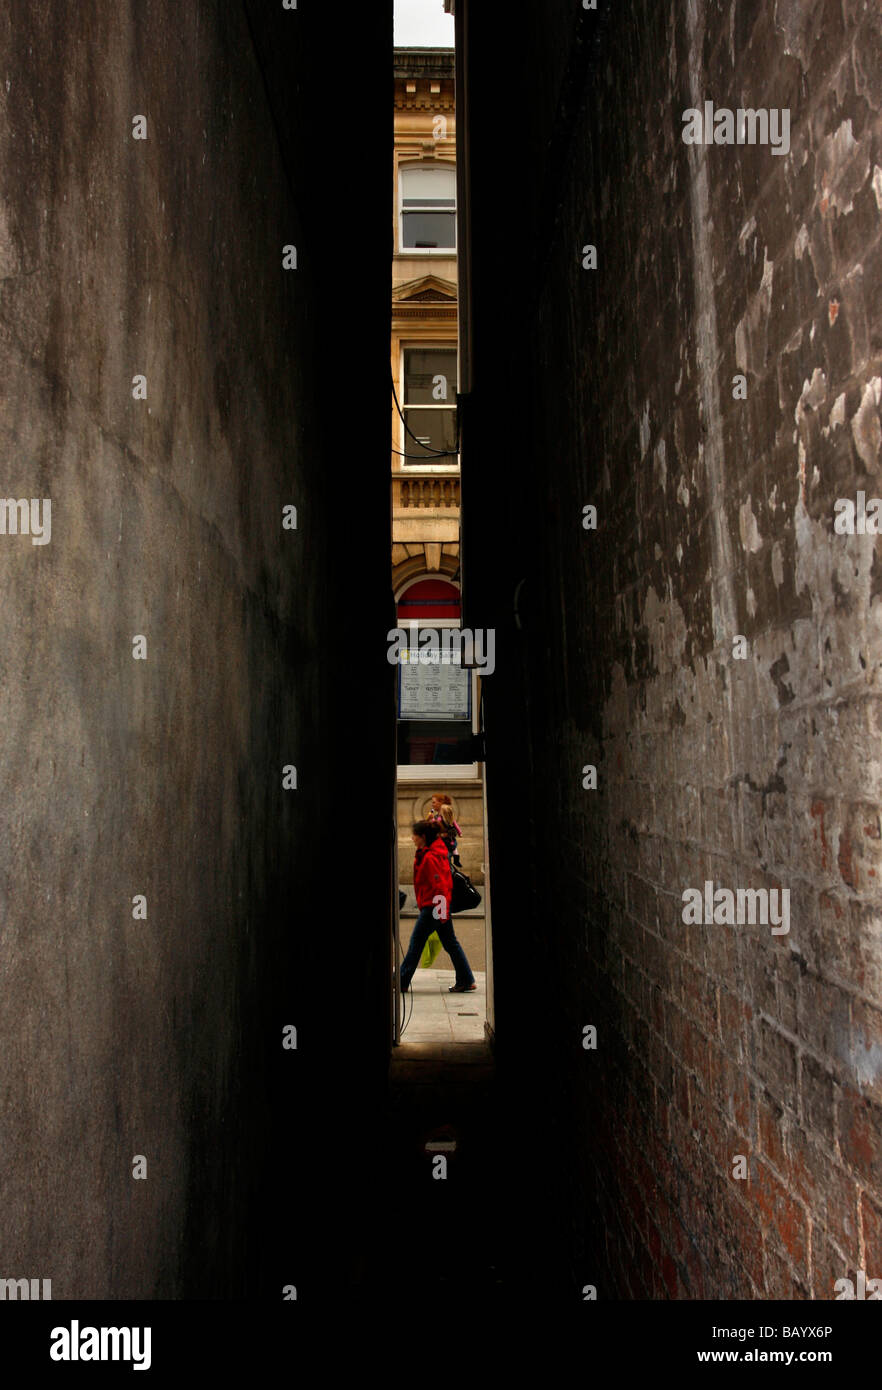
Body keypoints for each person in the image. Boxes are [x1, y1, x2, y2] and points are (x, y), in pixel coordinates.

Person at [399, 820, 476, 994]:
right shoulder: (431, 852)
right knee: (450, 943)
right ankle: (466, 979)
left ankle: (402, 979)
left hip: (433, 906)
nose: (412, 838)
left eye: (415, 835)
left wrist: (440, 913)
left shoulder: (430, 856)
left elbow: (439, 885)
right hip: (437, 906)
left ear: (423, 837)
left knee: (416, 943)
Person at [428, 792, 462, 866]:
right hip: (440, 846)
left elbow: (453, 829)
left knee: (446, 866)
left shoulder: (445, 818)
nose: (432, 804)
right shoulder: (436, 816)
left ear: (441, 803)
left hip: (446, 846)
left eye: (434, 802)